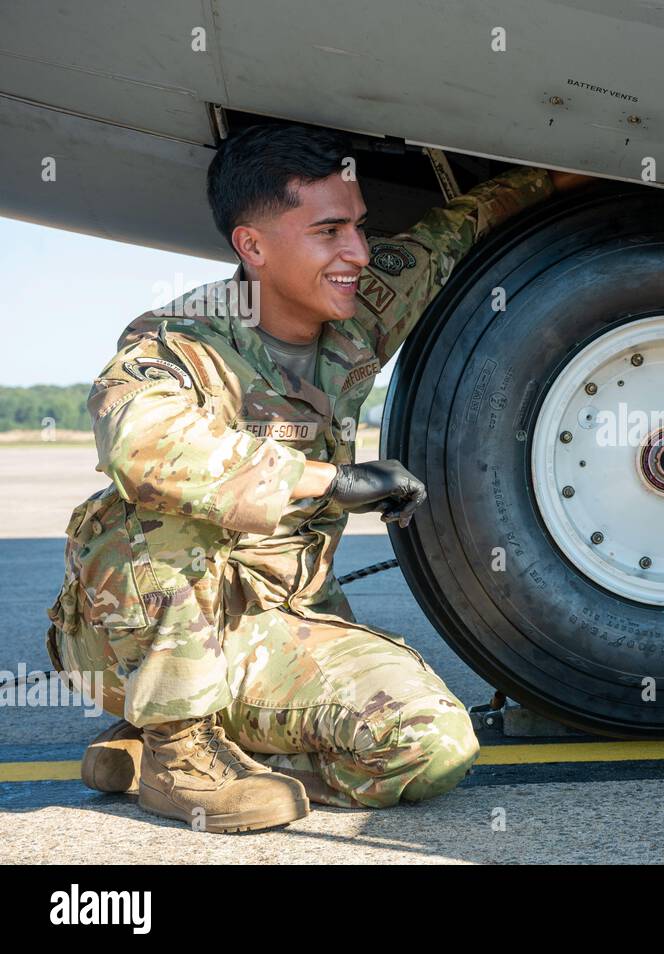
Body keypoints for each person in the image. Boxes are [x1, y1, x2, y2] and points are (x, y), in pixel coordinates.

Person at [46, 122, 590, 832]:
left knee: (434, 748)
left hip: (277, 621)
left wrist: (563, 180)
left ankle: (201, 743)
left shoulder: (361, 310)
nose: (358, 253)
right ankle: (178, 754)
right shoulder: (180, 341)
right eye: (330, 231)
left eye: (359, 227)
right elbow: (143, 448)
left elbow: (458, 227)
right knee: (162, 508)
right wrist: (328, 481)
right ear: (253, 247)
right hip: (135, 639)